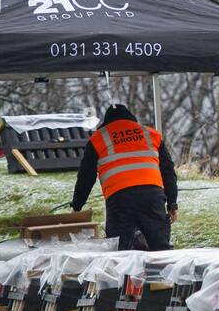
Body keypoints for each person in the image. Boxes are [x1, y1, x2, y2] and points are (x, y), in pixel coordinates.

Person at [72, 103, 178, 250]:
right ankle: (163, 272)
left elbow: (86, 175)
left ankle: (124, 273)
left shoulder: (98, 138)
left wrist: (77, 205)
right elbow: (168, 170)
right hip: (152, 195)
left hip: (119, 198)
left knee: (118, 252)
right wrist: (172, 203)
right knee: (160, 249)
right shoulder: (150, 134)